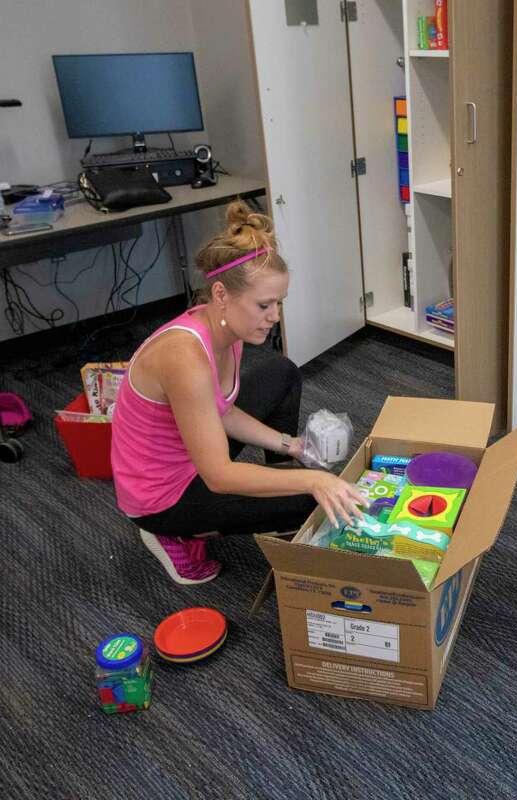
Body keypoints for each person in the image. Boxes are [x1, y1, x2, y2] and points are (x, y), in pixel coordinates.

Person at [110, 201, 366, 584]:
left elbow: (222, 410)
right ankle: (172, 531)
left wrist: (290, 446)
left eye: (279, 302)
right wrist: (312, 480)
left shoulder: (228, 328)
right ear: (221, 294)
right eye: (264, 304)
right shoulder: (184, 357)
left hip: (191, 454)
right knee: (312, 501)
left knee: (282, 372)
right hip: (162, 496)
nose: (275, 315)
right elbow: (219, 476)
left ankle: (274, 493)